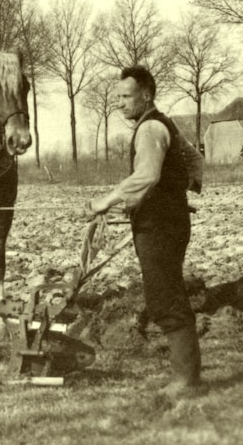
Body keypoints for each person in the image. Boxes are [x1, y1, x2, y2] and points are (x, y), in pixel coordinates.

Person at [87, 65, 205, 397]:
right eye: (118, 98)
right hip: (168, 220)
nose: (120, 104)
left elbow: (148, 175)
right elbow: (194, 159)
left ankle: (187, 381)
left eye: (126, 97)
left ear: (146, 95)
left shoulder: (149, 128)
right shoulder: (163, 122)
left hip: (159, 227)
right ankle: (189, 377)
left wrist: (105, 202)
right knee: (168, 295)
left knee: (165, 299)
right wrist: (180, 192)